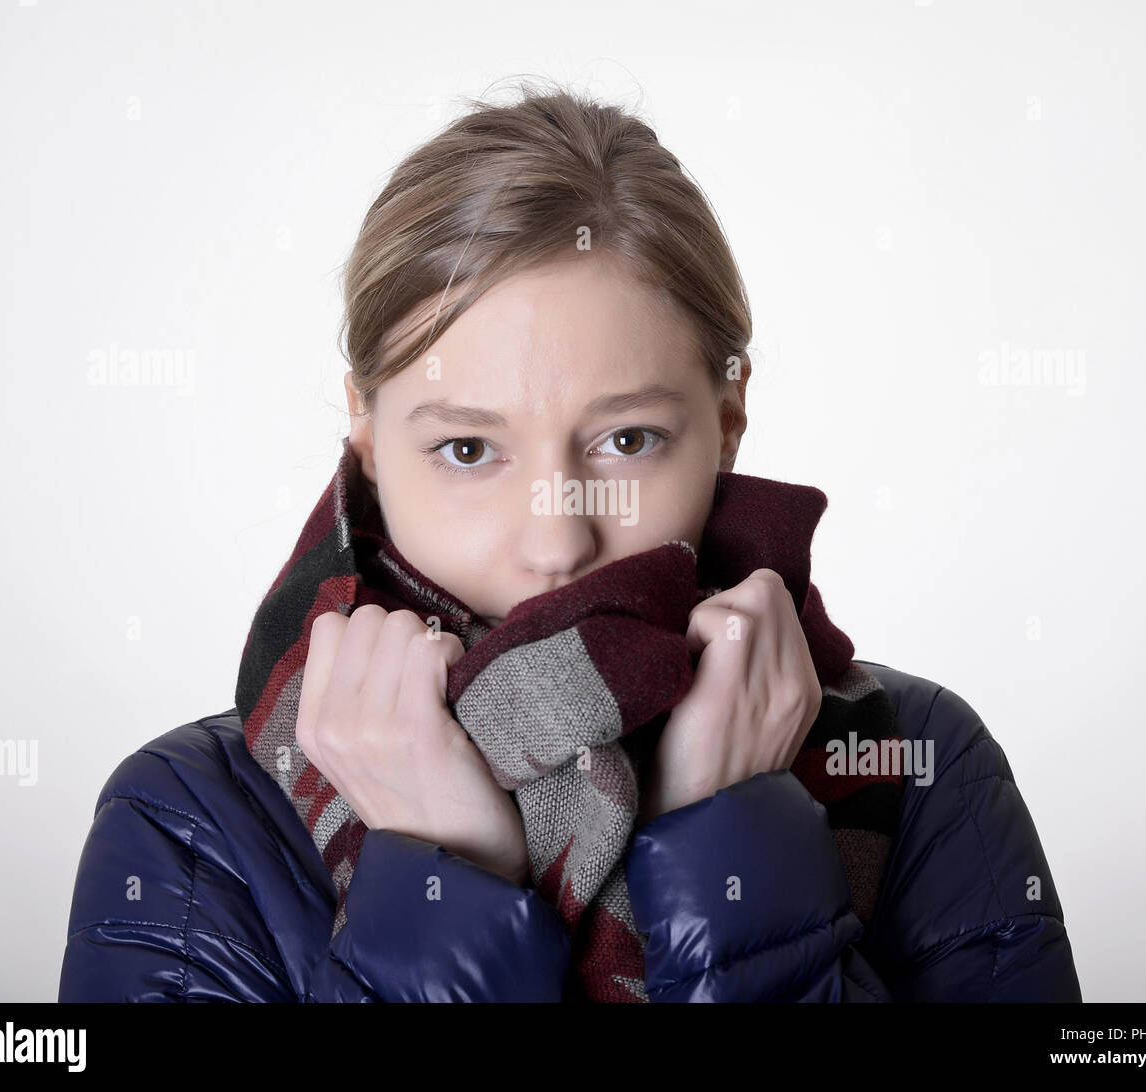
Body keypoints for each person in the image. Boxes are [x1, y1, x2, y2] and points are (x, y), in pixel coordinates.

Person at [57, 81, 1081, 1003]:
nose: (555, 541)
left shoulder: (920, 760)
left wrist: (732, 843)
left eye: (627, 440)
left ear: (725, 422)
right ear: (366, 437)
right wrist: (445, 875)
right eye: (467, 447)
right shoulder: (186, 822)